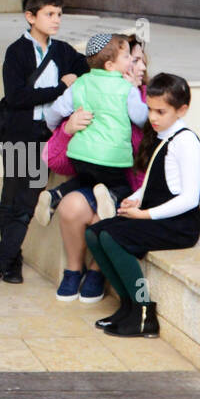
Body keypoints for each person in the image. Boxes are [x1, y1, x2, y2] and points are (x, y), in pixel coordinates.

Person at [0, 0, 88, 287]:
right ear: (30, 17)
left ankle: (0, 263)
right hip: (18, 134)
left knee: (26, 202)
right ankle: (11, 263)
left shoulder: (64, 51)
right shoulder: (17, 52)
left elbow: (87, 68)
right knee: (9, 200)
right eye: (49, 14)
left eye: (59, 15)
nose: (56, 20)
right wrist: (59, 88)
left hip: (46, 136)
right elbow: (16, 97)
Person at [88, 73, 200, 338]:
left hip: (179, 225)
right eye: (150, 109)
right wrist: (137, 197)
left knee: (112, 237)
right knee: (94, 233)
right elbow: (155, 180)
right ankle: (127, 305)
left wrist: (144, 215)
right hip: (155, 217)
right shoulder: (164, 136)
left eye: (161, 111)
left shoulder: (185, 141)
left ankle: (143, 312)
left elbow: (189, 198)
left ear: (181, 110)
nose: (153, 117)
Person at [37, 33, 149, 300]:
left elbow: (51, 112)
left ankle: (56, 196)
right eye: (130, 59)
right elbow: (53, 159)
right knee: (106, 192)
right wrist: (68, 129)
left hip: (92, 165)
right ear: (113, 65)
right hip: (112, 167)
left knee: (103, 205)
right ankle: (74, 270)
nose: (137, 67)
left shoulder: (84, 83)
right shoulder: (128, 92)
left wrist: (56, 123)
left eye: (140, 61)